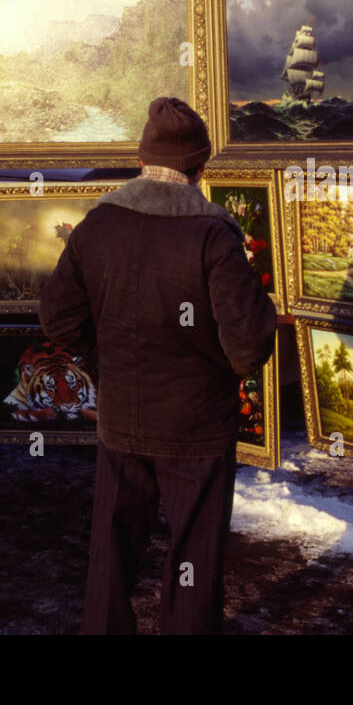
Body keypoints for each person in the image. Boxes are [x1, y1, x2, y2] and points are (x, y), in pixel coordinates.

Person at [39, 96, 277, 634]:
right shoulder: (215, 235)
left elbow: (59, 322)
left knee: (111, 553)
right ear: (200, 167)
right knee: (192, 556)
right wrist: (263, 312)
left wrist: (106, 354)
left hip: (122, 418)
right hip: (196, 429)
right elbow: (246, 346)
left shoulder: (96, 227)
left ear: (142, 159)